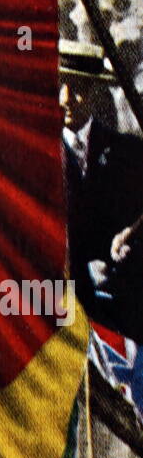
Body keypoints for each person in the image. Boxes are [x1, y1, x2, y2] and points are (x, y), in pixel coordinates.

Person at [60, 40, 143, 341]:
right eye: (61, 85)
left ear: (96, 93)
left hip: (122, 309)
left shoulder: (128, 152)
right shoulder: (38, 152)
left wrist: (128, 237)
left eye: (77, 87)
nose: (67, 98)